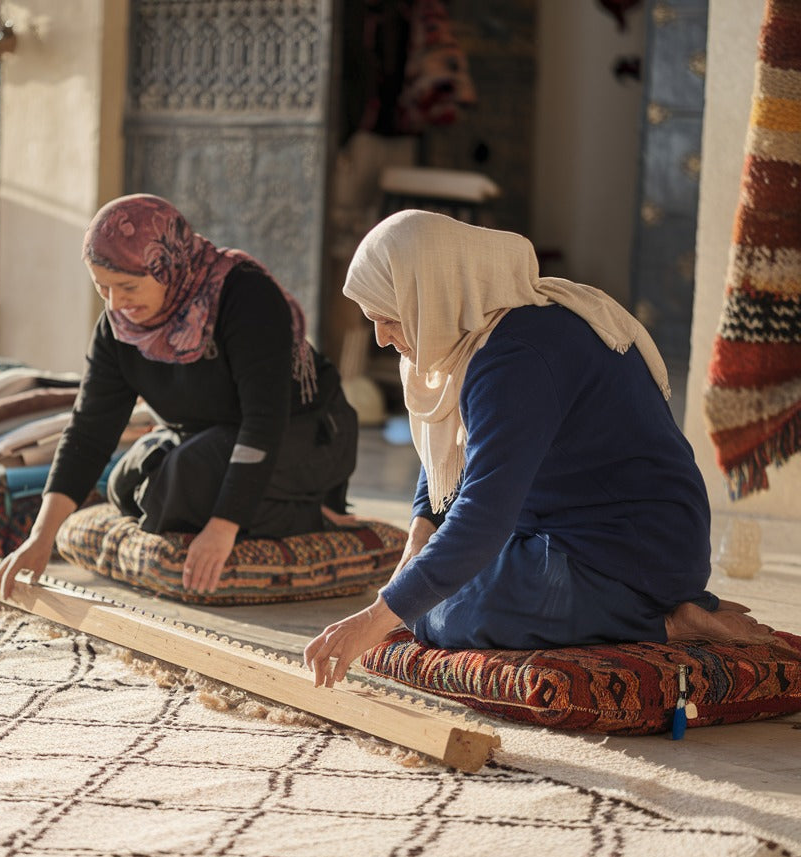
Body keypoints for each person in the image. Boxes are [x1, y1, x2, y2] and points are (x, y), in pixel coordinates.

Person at [305, 210, 779, 687]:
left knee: (439, 616)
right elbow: (452, 451)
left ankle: (664, 622)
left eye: (388, 318)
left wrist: (373, 619)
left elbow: (481, 519)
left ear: (429, 293)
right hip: (576, 532)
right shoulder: (481, 332)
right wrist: (418, 535)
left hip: (626, 550)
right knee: (423, 585)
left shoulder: (516, 357)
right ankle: (641, 606)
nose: (382, 338)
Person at [0, 194, 357, 600]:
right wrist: (42, 536)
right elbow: (89, 432)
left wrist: (223, 526)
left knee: (180, 483)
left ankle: (314, 511)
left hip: (306, 431)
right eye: (103, 288)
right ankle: (262, 503)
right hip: (216, 436)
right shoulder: (119, 328)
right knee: (125, 483)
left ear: (166, 264)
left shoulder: (244, 296)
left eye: (127, 286)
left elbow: (263, 421)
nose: (116, 304)